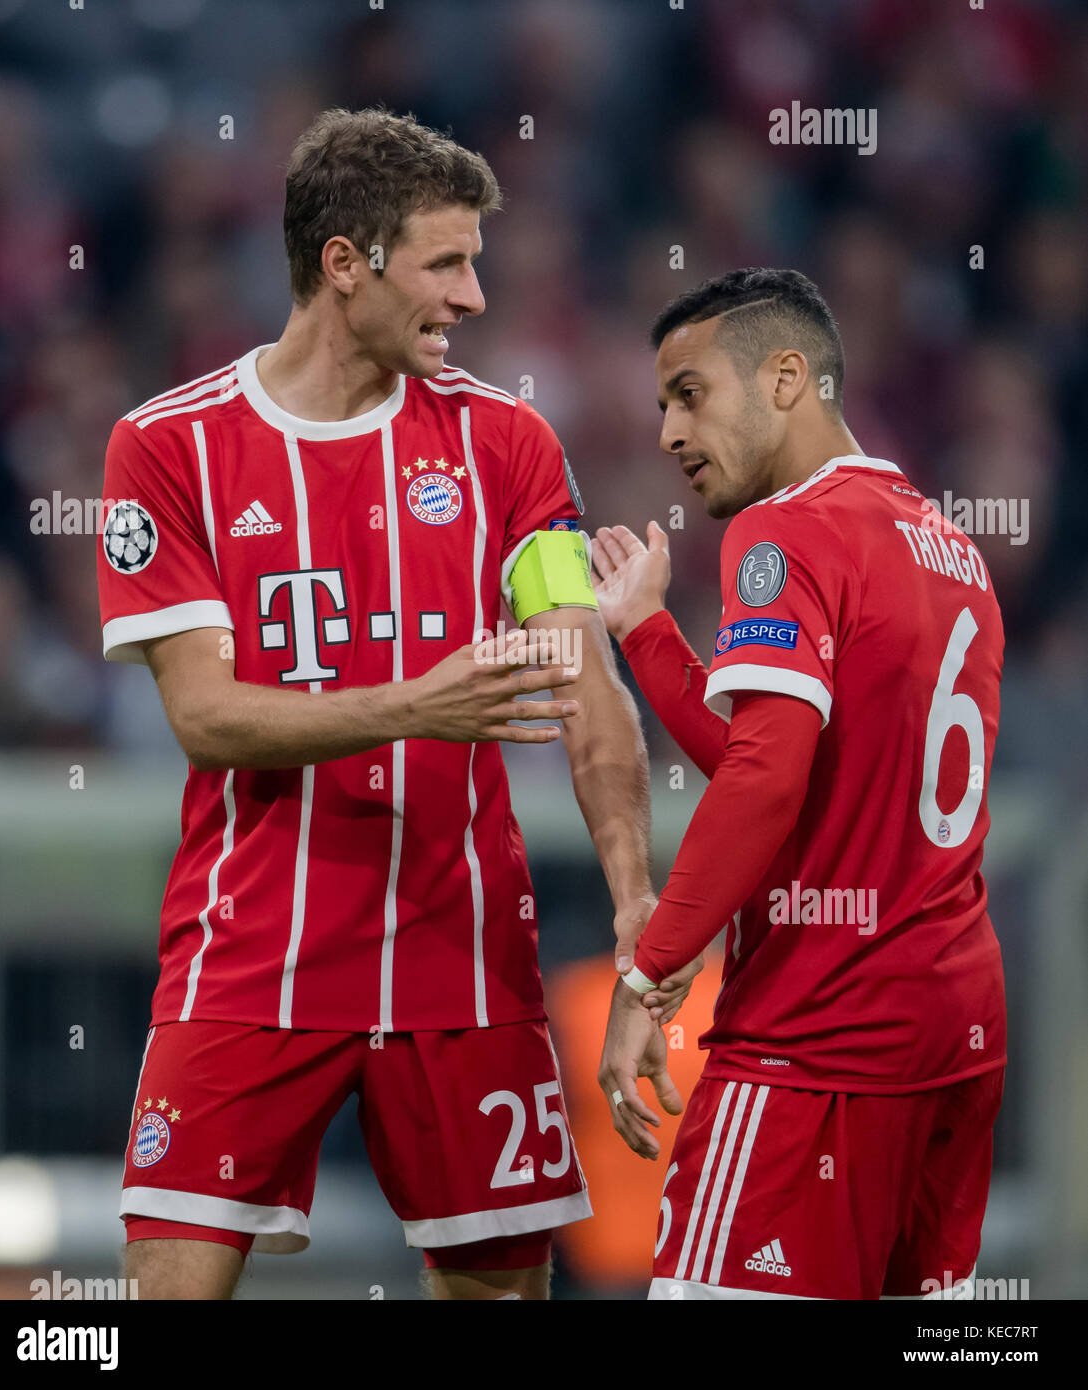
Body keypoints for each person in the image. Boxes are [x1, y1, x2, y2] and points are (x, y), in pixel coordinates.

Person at [96, 107, 655, 1301]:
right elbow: (206, 716)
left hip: (464, 965)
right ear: (345, 264)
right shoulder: (167, 449)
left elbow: (583, 685)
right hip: (250, 957)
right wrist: (415, 704)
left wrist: (633, 911)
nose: (474, 298)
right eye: (446, 263)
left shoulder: (507, 448)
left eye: (477, 263)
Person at [595, 267, 1007, 1300]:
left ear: (785, 378)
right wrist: (647, 630)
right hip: (953, 1037)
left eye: (689, 394)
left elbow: (766, 782)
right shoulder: (949, 547)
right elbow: (781, 761)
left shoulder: (787, 529)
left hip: (816, 1042)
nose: (667, 435)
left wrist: (649, 972)